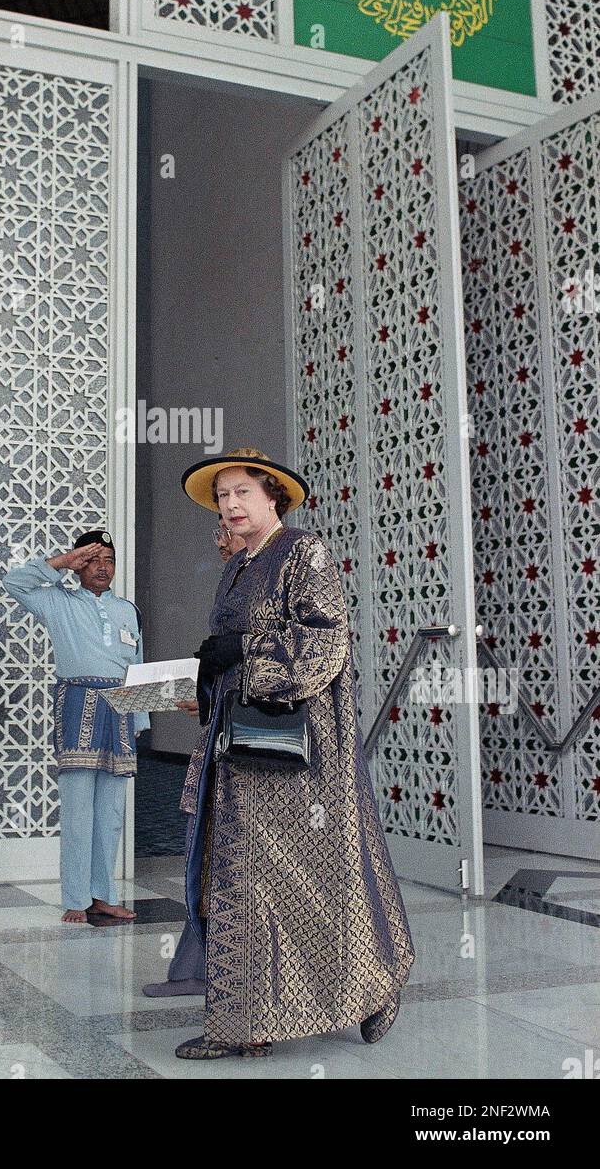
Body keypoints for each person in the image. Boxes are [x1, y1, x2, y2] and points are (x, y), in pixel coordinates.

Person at [174, 448, 416, 1059]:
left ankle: (374, 982)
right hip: (237, 746)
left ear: (273, 497)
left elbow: (326, 639)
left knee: (311, 880)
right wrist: (206, 679)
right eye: (223, 496)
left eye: (242, 494)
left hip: (296, 752)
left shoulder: (304, 551)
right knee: (240, 878)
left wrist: (245, 651)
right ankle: (245, 1022)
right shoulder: (236, 566)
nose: (230, 506)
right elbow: (230, 650)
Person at [2, 530, 149, 924]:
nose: (102, 567)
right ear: (80, 563)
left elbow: (138, 666)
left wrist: (140, 718)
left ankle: (103, 896)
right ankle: (75, 898)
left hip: (121, 708)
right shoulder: (58, 602)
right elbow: (13, 581)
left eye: (109, 560)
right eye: (93, 559)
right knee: (79, 807)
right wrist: (62, 562)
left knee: (112, 811)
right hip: (78, 705)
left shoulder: (129, 611)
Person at [141, 513, 245, 999]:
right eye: (217, 531)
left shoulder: (283, 570)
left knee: (227, 859)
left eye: (226, 531)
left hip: (253, 749)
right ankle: (196, 967)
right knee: (205, 852)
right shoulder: (229, 583)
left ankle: (218, 972)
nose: (222, 542)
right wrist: (202, 696)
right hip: (221, 742)